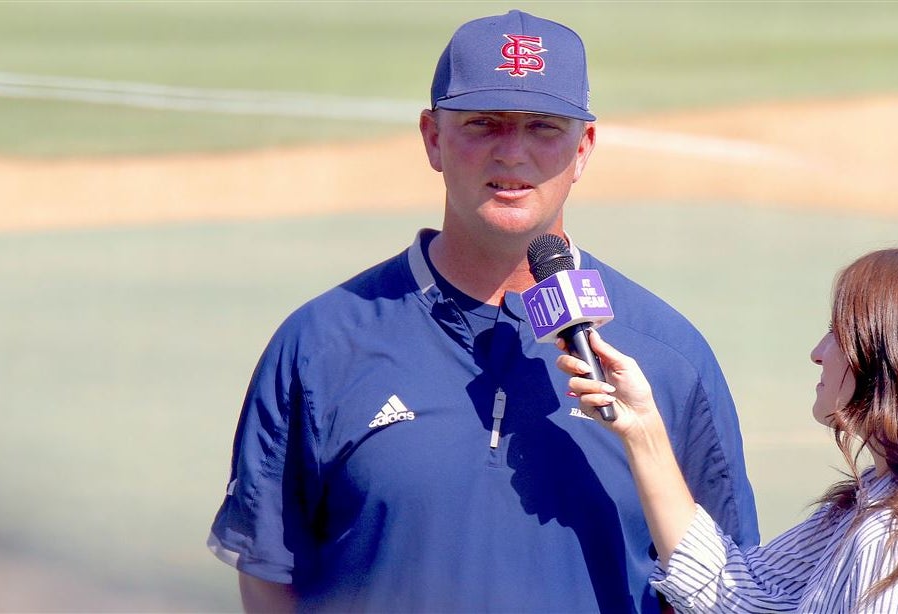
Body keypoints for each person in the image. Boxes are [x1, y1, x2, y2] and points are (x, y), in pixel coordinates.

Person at [207, 9, 759, 612]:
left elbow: (727, 591)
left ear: (584, 148)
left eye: (544, 126)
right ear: (433, 138)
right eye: (483, 123)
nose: (513, 154)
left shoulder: (668, 358)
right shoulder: (321, 344)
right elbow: (269, 574)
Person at [559, 248, 898, 613]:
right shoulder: (881, 501)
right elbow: (737, 595)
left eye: (841, 334)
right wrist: (643, 430)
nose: (818, 351)